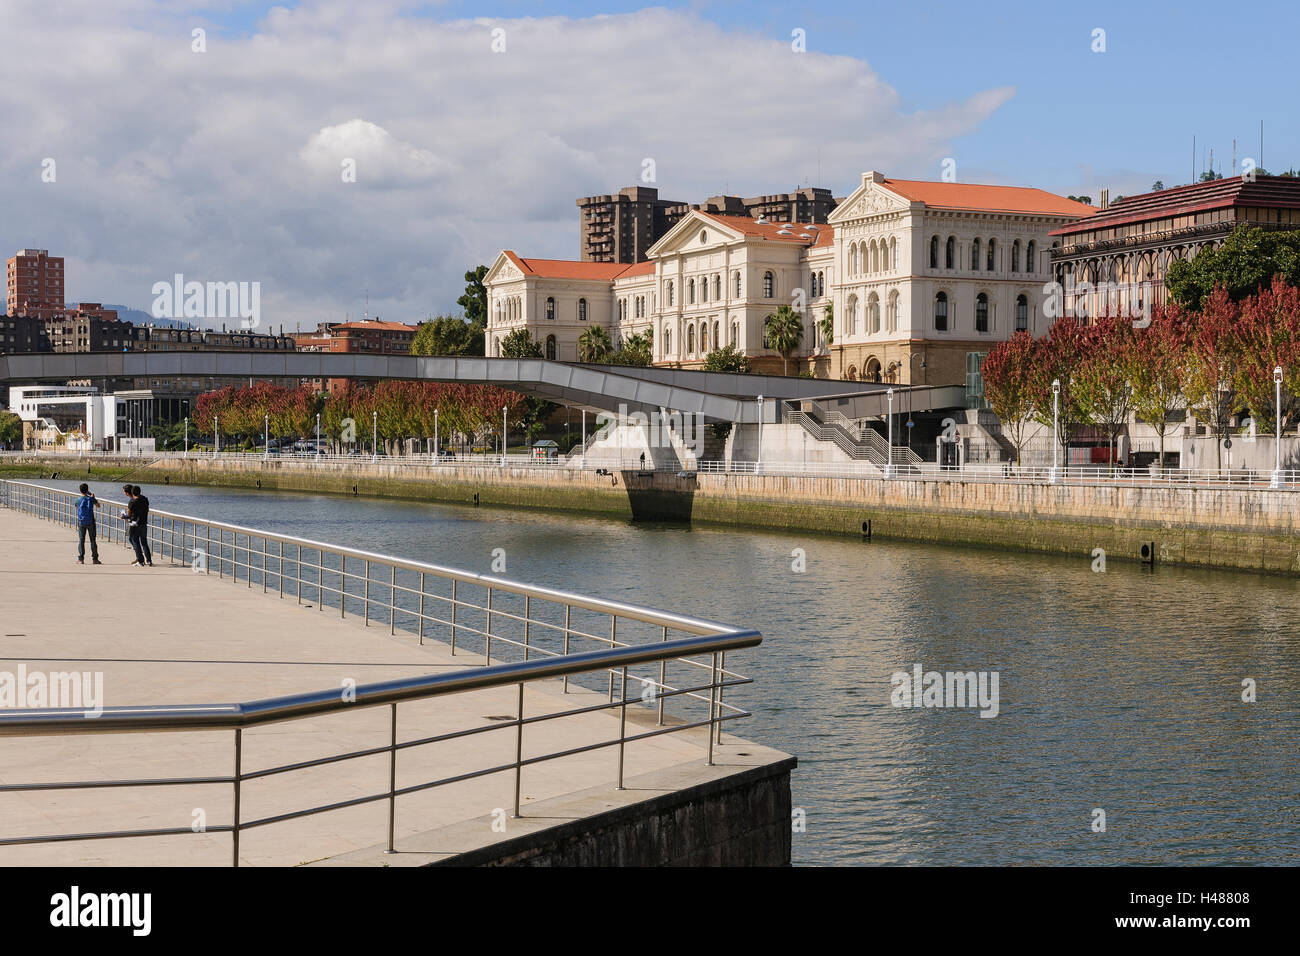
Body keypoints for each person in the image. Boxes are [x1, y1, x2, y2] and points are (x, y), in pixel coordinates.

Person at [122, 484, 153, 567]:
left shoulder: (132, 502)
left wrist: (123, 516)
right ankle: (149, 561)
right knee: (144, 542)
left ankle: (140, 560)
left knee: (134, 540)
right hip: (143, 523)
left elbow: (128, 515)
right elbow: (148, 509)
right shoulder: (145, 499)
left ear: (131, 492)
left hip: (134, 524)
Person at [75, 483, 102, 565]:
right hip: (91, 522)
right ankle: (95, 559)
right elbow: (98, 506)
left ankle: (81, 559)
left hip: (81, 522)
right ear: (87, 490)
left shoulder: (78, 499)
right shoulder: (91, 499)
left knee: (81, 540)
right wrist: (93, 497)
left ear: (80, 490)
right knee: (93, 541)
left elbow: (76, 508)